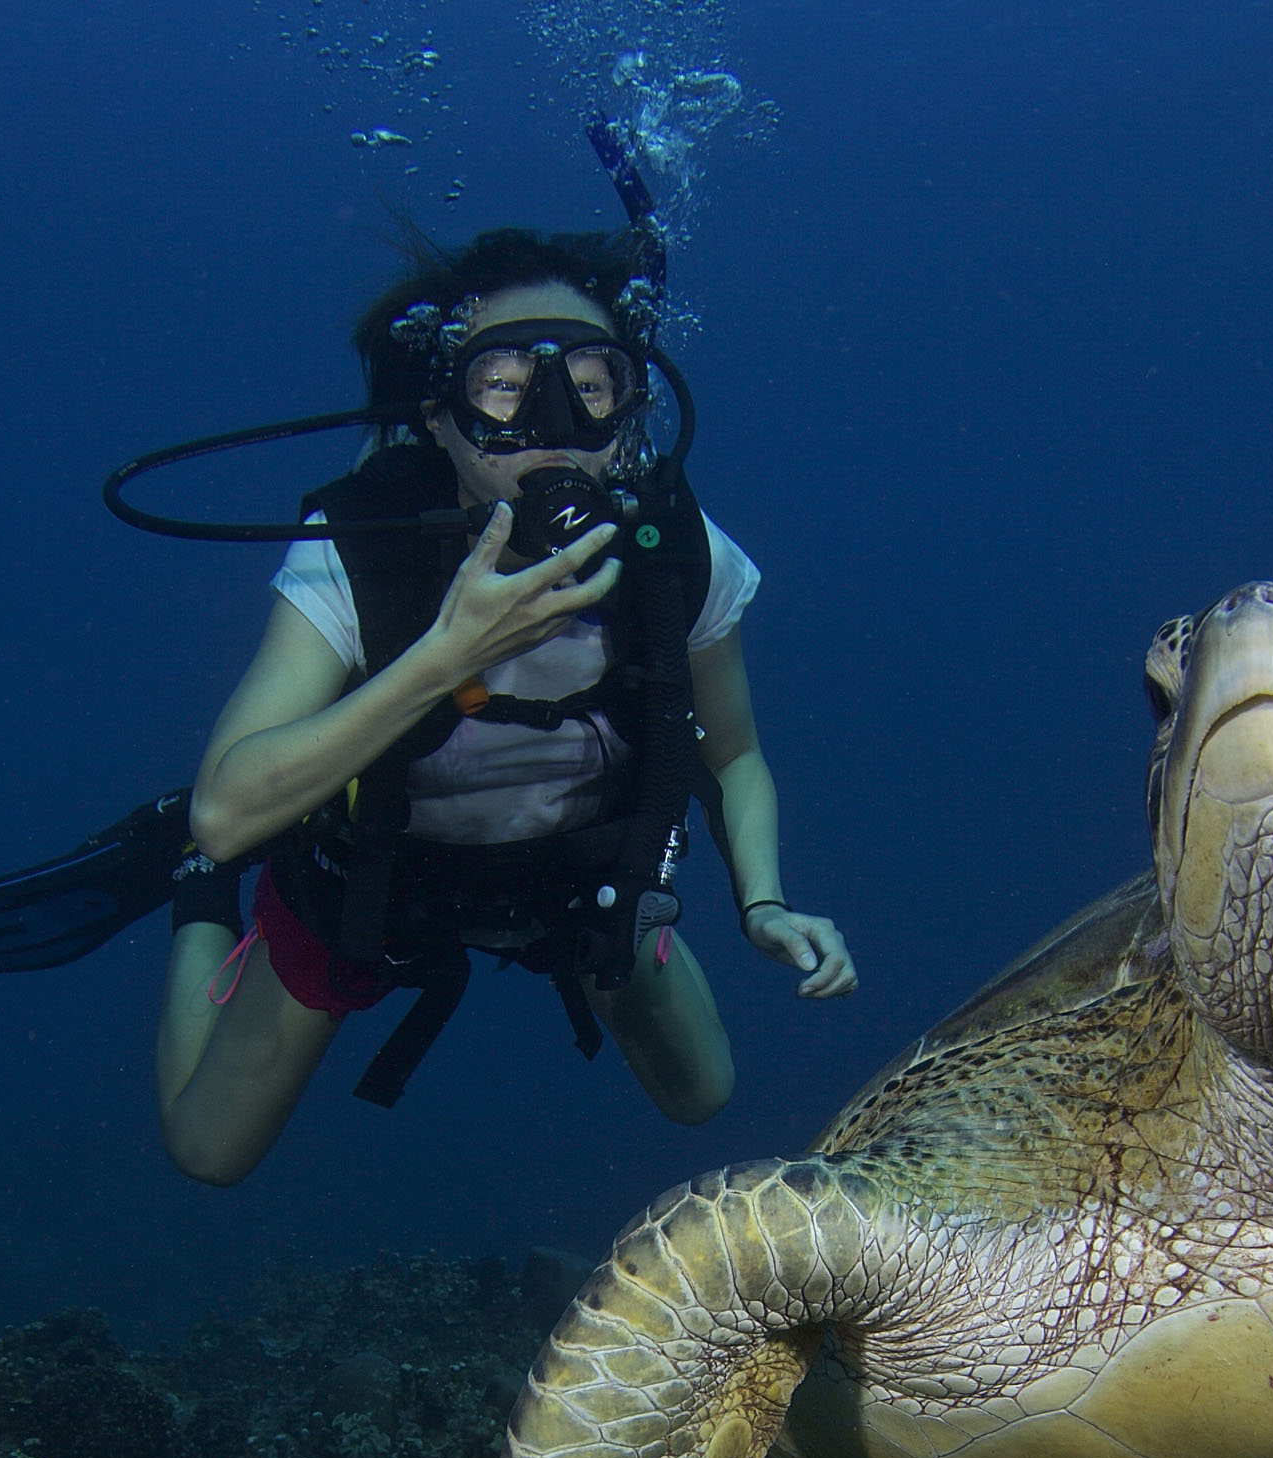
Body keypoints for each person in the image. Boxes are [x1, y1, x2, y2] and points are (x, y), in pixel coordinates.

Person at [151, 227, 853, 1185]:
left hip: (578, 885)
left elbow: (730, 756)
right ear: (440, 415)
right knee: (206, 1151)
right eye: (505, 386)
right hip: (378, 882)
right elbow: (226, 814)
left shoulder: (680, 557)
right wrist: (447, 657)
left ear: (631, 405)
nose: (553, 421)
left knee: (705, 1092)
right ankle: (196, 903)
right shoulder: (358, 551)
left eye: (592, 384)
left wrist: (762, 901)